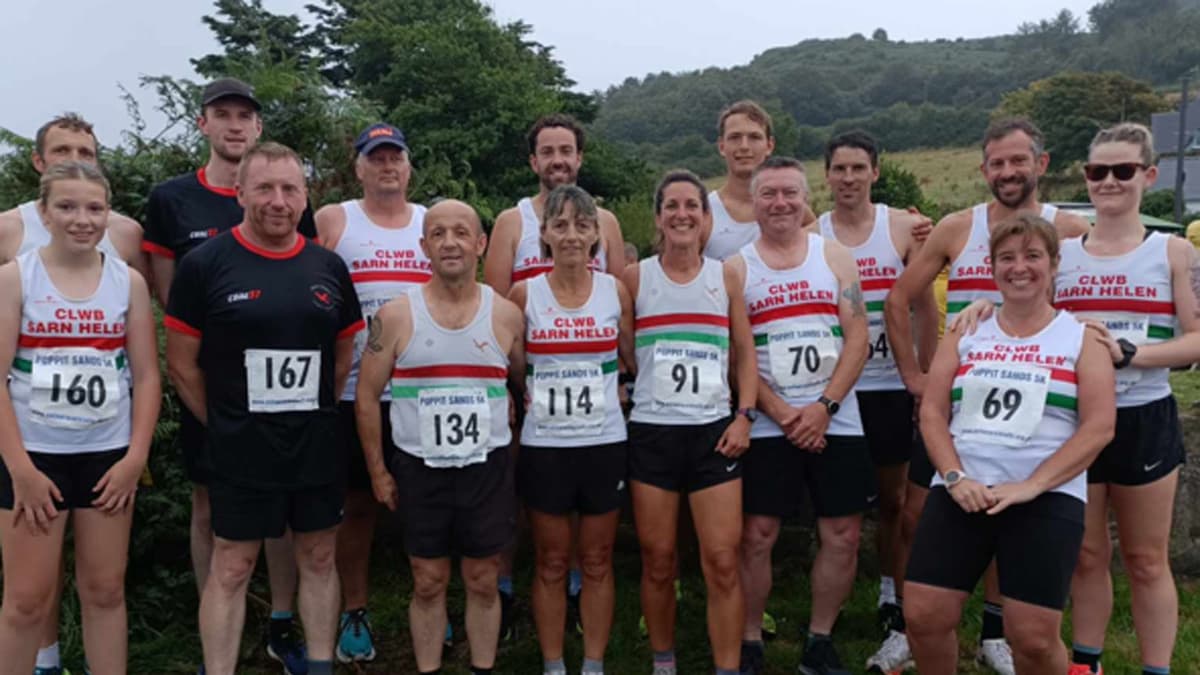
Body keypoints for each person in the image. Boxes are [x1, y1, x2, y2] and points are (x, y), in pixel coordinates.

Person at [883, 117, 1089, 673]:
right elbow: (899, 299)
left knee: (1016, 520)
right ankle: (915, 623)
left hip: (1041, 404)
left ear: (1040, 164)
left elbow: (1089, 311)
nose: (1007, 171)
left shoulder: (1068, 229)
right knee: (919, 514)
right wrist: (915, 377)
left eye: (1018, 160)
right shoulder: (957, 228)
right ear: (983, 169)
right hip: (959, 402)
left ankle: (998, 631)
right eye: (996, 162)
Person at [165, 142, 363, 675]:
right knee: (232, 566)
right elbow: (182, 364)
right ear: (240, 193)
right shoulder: (204, 265)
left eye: (290, 189)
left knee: (319, 558)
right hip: (239, 448)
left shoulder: (328, 266)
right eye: (265, 188)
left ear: (305, 197)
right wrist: (227, 423)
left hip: (314, 444)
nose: (278, 201)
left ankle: (321, 665)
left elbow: (343, 353)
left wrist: (313, 409)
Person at [144, 78, 316, 672]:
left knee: (285, 513)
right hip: (212, 384)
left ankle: (282, 624)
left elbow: (304, 285)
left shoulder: (286, 193)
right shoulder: (172, 199)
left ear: (259, 127)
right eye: (223, 114)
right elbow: (171, 304)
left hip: (285, 385)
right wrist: (213, 405)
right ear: (203, 124)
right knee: (209, 506)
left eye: (246, 115)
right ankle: (215, 621)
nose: (235, 125)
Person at [904, 213, 1116, 674]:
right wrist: (954, 477)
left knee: (1034, 640)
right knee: (923, 616)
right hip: (964, 490)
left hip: (1045, 496)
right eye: (1007, 258)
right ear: (992, 266)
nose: (1020, 267)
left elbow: (1099, 427)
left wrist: (1032, 486)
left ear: (1054, 265)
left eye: (1032, 256)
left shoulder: (1082, 338)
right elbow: (934, 413)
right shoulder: (967, 329)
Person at [0, 112, 150, 675]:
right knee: (25, 601)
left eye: (93, 208)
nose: (81, 220)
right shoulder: (14, 277)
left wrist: (135, 458)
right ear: (43, 212)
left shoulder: (127, 281)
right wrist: (19, 468)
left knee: (106, 591)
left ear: (108, 213)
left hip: (106, 456)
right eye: (66, 207)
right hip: (32, 459)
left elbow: (147, 376)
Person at [355, 199, 524, 675]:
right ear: (423, 245)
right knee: (428, 580)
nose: (450, 242)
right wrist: (378, 471)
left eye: (461, 232)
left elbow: (522, 380)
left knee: (484, 578)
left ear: (480, 243)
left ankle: (482, 668)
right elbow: (366, 397)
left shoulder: (507, 316)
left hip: (485, 468)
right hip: (419, 467)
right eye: (438, 233)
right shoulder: (393, 317)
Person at [1057, 124, 1200, 675]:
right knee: (1087, 555)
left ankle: (1155, 668)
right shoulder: (1063, 254)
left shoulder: (1173, 251)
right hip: (1075, 419)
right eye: (1098, 172)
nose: (1109, 182)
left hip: (1144, 415)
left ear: (1148, 175)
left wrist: (1130, 353)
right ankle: (1085, 664)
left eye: (1123, 171)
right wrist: (975, 310)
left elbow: (1195, 338)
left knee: (1144, 560)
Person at [482, 113, 626, 638]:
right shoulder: (510, 222)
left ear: (579, 157)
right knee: (519, 486)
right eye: (548, 151)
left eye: (567, 150)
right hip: (531, 375)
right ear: (533, 161)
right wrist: (509, 383)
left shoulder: (605, 221)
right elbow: (496, 309)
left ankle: (573, 587)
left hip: (593, 393)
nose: (558, 159)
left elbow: (614, 310)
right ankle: (504, 585)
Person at [727, 157, 871, 675]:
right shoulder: (738, 268)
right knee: (758, 533)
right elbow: (737, 356)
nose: (781, 203)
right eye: (769, 195)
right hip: (771, 420)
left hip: (837, 415)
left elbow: (857, 336)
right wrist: (786, 413)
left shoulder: (835, 257)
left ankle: (819, 639)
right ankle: (749, 640)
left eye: (790, 193)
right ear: (755, 201)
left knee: (843, 533)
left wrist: (824, 407)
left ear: (806, 197)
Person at [813, 130, 938, 673]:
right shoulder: (810, 231)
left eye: (857, 168)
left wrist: (925, 378)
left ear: (876, 172)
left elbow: (926, 308)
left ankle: (891, 592)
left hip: (890, 383)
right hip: (839, 388)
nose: (848, 178)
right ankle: (827, 607)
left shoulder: (904, 228)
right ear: (827, 175)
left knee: (893, 502)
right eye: (839, 169)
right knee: (839, 506)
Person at [623, 169, 757, 675]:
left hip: (713, 433)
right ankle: (664, 662)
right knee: (658, 561)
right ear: (658, 217)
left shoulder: (724, 276)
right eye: (671, 206)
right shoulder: (637, 278)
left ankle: (726, 667)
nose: (682, 215)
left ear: (706, 218)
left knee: (722, 560)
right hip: (654, 432)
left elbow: (744, 353)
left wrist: (744, 415)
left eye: (692, 207)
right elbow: (626, 349)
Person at [314, 122, 429, 664]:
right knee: (356, 509)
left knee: (425, 507)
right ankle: (354, 611)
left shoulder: (432, 224)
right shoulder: (336, 220)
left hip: (424, 392)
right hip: (353, 389)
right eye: (375, 157)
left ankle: (428, 604)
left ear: (409, 166)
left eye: (395, 157)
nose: (387, 166)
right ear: (358, 167)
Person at [508, 185, 635, 675]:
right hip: (547, 445)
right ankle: (554, 663)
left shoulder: (615, 291)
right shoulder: (525, 294)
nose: (571, 236)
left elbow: (629, 359)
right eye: (560, 225)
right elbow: (516, 365)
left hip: (603, 442)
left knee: (598, 559)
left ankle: (594, 664)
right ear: (544, 234)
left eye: (582, 226)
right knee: (552, 561)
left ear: (597, 235)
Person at [702, 100, 815, 262]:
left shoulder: (794, 209)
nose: (744, 146)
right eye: (735, 137)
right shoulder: (705, 213)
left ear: (769, 145)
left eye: (754, 137)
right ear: (721, 146)